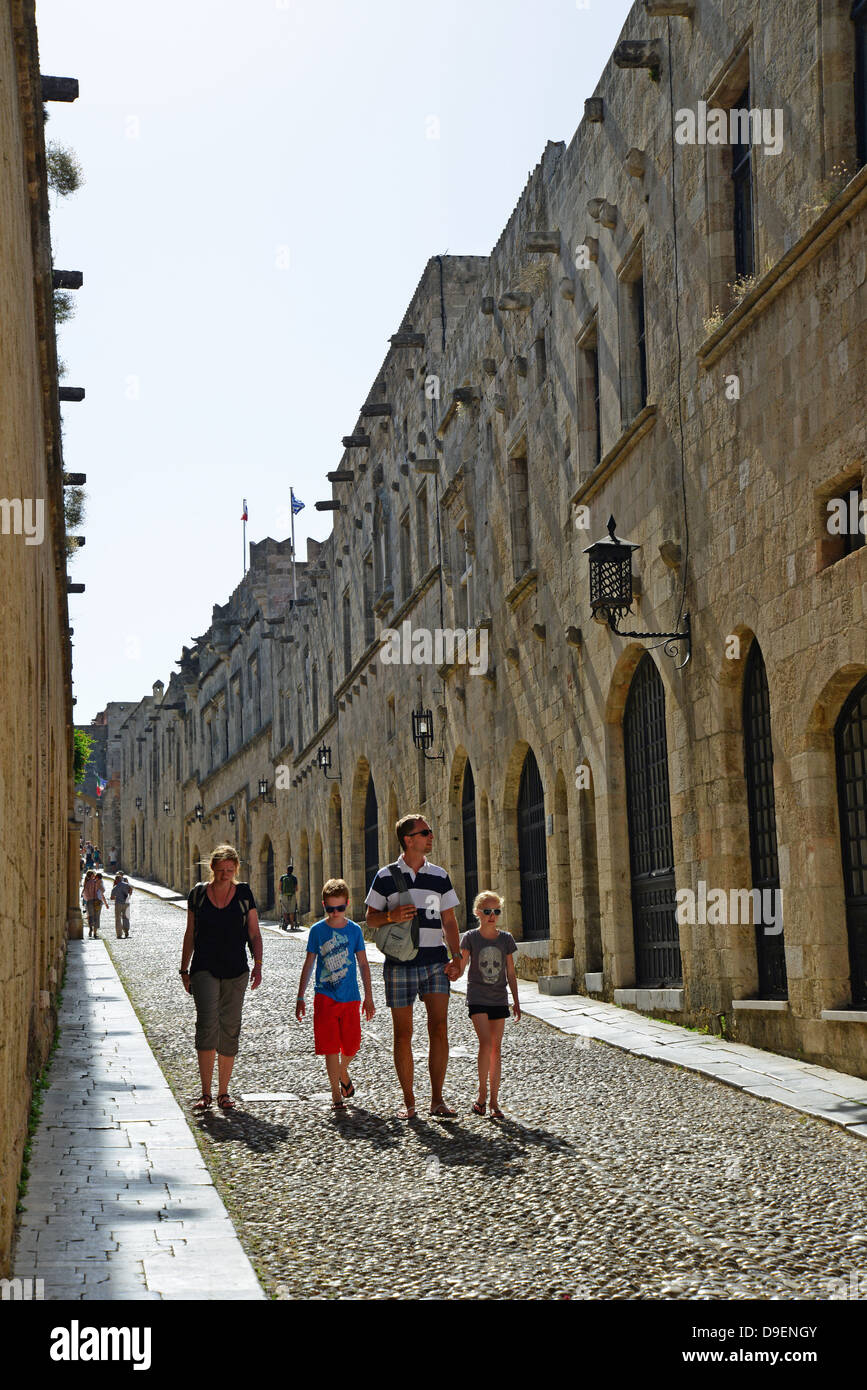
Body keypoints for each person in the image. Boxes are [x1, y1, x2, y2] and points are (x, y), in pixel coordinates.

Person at [365, 813, 463, 1120]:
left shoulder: (439, 875)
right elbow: (370, 919)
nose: (431, 836)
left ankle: (437, 1100)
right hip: (399, 964)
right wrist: (392, 917)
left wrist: (457, 956)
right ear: (409, 840)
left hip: (435, 961)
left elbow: (449, 919)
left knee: (439, 1028)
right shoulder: (385, 876)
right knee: (403, 1033)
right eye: (425, 832)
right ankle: (409, 1101)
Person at [179, 844, 262, 1113]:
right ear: (212, 868)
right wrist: (184, 968)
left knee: (230, 1027)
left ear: (236, 869)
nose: (226, 874)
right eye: (221, 869)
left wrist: (258, 963)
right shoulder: (198, 894)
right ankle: (205, 1092)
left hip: (236, 968)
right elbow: (190, 933)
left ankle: (223, 1092)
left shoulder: (244, 894)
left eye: (230, 870)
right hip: (203, 967)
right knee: (206, 1025)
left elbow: (254, 933)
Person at [295, 878, 375, 1109]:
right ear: (324, 906)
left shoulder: (355, 930)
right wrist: (300, 996)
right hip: (325, 996)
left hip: (350, 996)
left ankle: (342, 1072)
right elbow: (309, 964)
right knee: (330, 1047)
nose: (335, 913)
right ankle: (335, 1095)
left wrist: (369, 996)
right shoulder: (318, 931)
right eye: (330, 909)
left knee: (352, 1045)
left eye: (340, 908)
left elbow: (363, 964)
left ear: (347, 904)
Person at [460, 892, 521, 1120]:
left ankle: (494, 1101)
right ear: (478, 913)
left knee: (496, 1049)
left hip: (498, 998)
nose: (492, 915)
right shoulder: (470, 938)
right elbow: (461, 963)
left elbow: (511, 973)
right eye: (487, 911)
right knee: (485, 1043)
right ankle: (482, 1092)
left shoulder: (506, 939)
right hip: (477, 997)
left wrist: (516, 1000)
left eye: (496, 911)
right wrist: (451, 969)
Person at [81, 869, 108, 937]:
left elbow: (84, 894)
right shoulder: (96, 882)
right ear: (92, 875)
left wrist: (88, 900)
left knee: (90, 916)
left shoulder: (86, 883)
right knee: (97, 917)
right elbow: (103, 890)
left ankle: (90, 929)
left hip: (89, 901)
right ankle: (95, 933)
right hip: (97, 901)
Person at [110, 872, 133, 938]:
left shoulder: (115, 888)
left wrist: (116, 897)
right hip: (126, 903)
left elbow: (112, 897)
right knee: (126, 917)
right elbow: (131, 889)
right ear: (121, 879)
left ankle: (119, 934)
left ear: (116, 880)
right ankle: (126, 930)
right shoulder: (126, 884)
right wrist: (129, 895)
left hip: (118, 904)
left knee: (118, 918)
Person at [279, 864, 299, 931]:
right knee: (292, 911)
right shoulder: (294, 878)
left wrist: (282, 893)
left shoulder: (282, 877)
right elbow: (296, 889)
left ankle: (286, 921)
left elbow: (279, 888)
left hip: (284, 895)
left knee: (285, 910)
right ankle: (292, 925)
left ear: (287, 870)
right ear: (292, 871)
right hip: (292, 895)